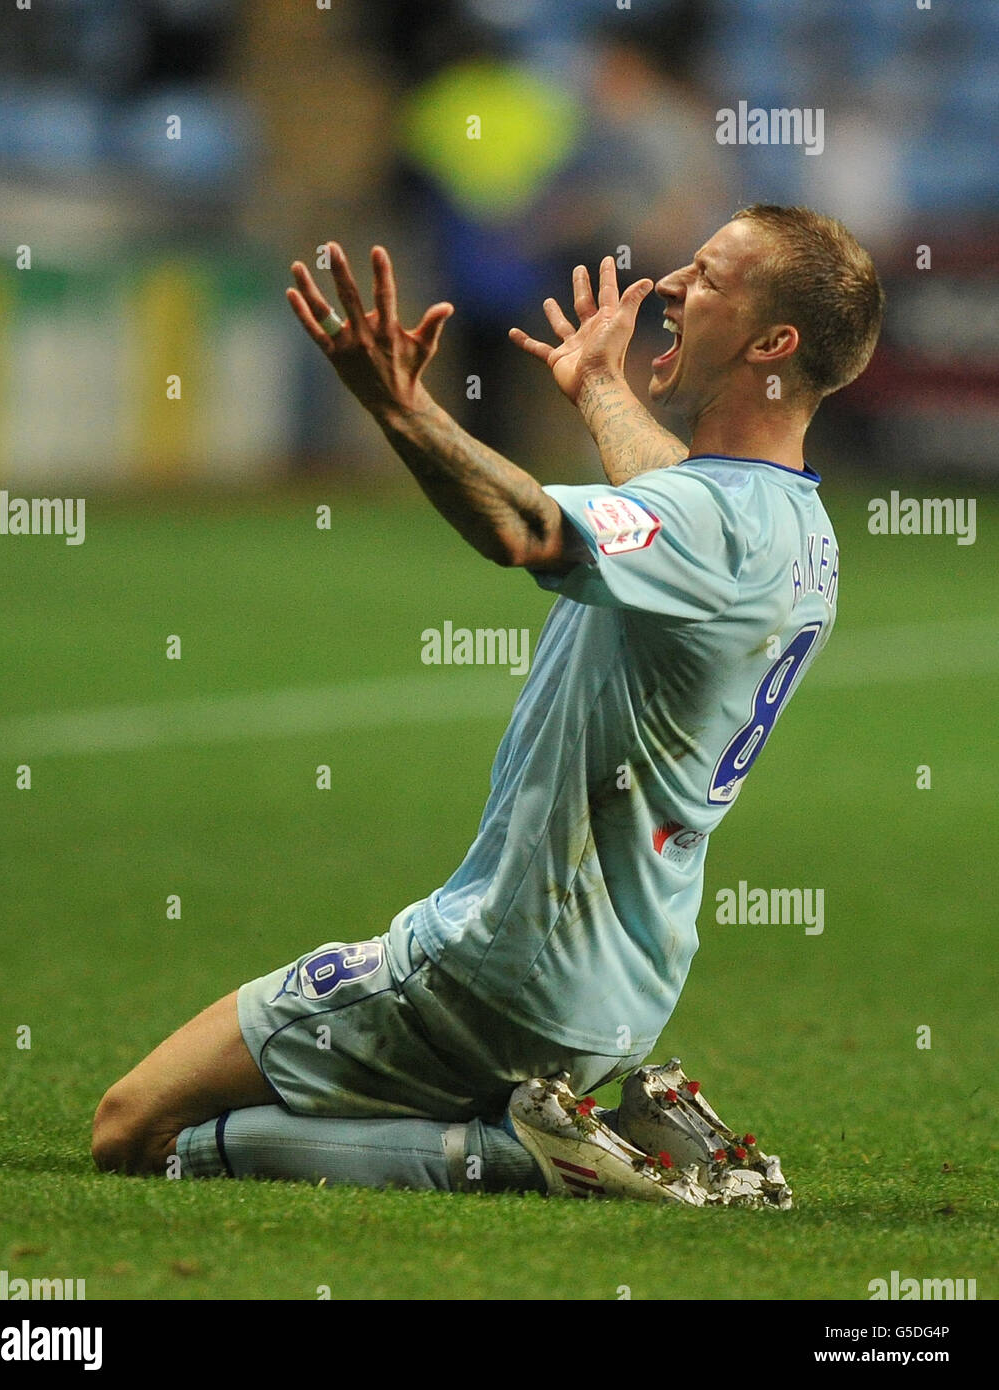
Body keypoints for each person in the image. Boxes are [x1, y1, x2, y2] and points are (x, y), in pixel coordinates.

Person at [91, 205, 883, 1203]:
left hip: (496, 973)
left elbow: (525, 529)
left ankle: (527, 1160)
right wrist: (598, 383)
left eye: (710, 278)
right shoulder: (798, 526)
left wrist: (398, 408)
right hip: (623, 996)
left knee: (141, 1127)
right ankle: (575, 1126)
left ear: (772, 343)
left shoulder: (702, 522)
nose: (671, 287)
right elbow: (679, 504)